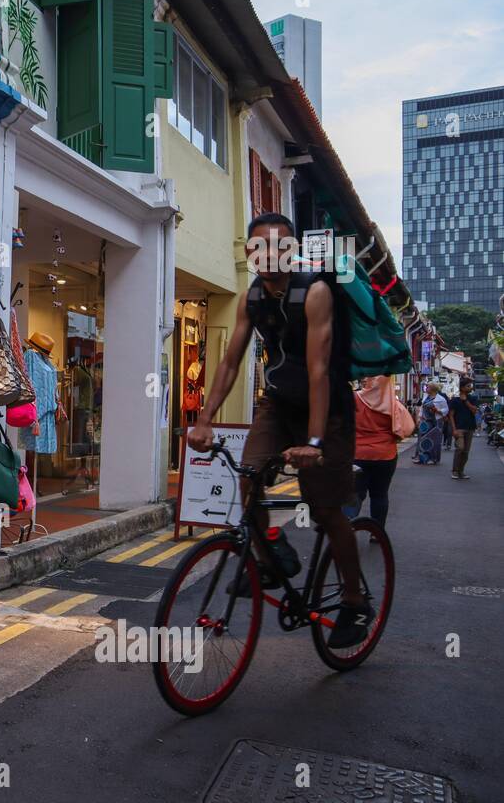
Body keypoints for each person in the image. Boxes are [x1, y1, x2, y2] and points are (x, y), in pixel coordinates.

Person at [190, 212, 369, 648]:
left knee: (326, 510)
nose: (270, 254)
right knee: (249, 477)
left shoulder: (316, 292)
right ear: (250, 253)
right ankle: (272, 551)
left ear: (294, 251)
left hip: (327, 410)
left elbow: (319, 371)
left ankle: (354, 599)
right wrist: (205, 417)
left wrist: (313, 442)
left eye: (280, 246)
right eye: (260, 247)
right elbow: (231, 361)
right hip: (278, 403)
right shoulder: (251, 296)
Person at [347, 376, 415, 533]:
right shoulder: (393, 404)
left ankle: (347, 529)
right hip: (385, 456)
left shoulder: (353, 399)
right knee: (380, 495)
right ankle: (377, 533)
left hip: (357, 454)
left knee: (354, 493)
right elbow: (408, 428)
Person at [448, 377, 480, 480]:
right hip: (459, 428)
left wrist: (466, 401)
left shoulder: (473, 398)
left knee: (466, 452)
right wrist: (454, 429)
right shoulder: (455, 400)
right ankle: (455, 471)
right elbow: (451, 415)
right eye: (468, 386)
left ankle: (461, 471)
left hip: (470, 427)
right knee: (460, 448)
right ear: (462, 387)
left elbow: (474, 411)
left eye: (471, 385)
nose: (471, 387)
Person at [413, 381, 447, 464]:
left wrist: (437, 410)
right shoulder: (425, 396)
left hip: (436, 421)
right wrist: (419, 418)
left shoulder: (441, 399)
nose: (426, 388)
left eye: (427, 387)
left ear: (432, 389)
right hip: (425, 421)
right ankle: (421, 457)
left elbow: (446, 410)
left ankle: (432, 458)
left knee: (434, 439)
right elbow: (422, 408)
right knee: (422, 438)